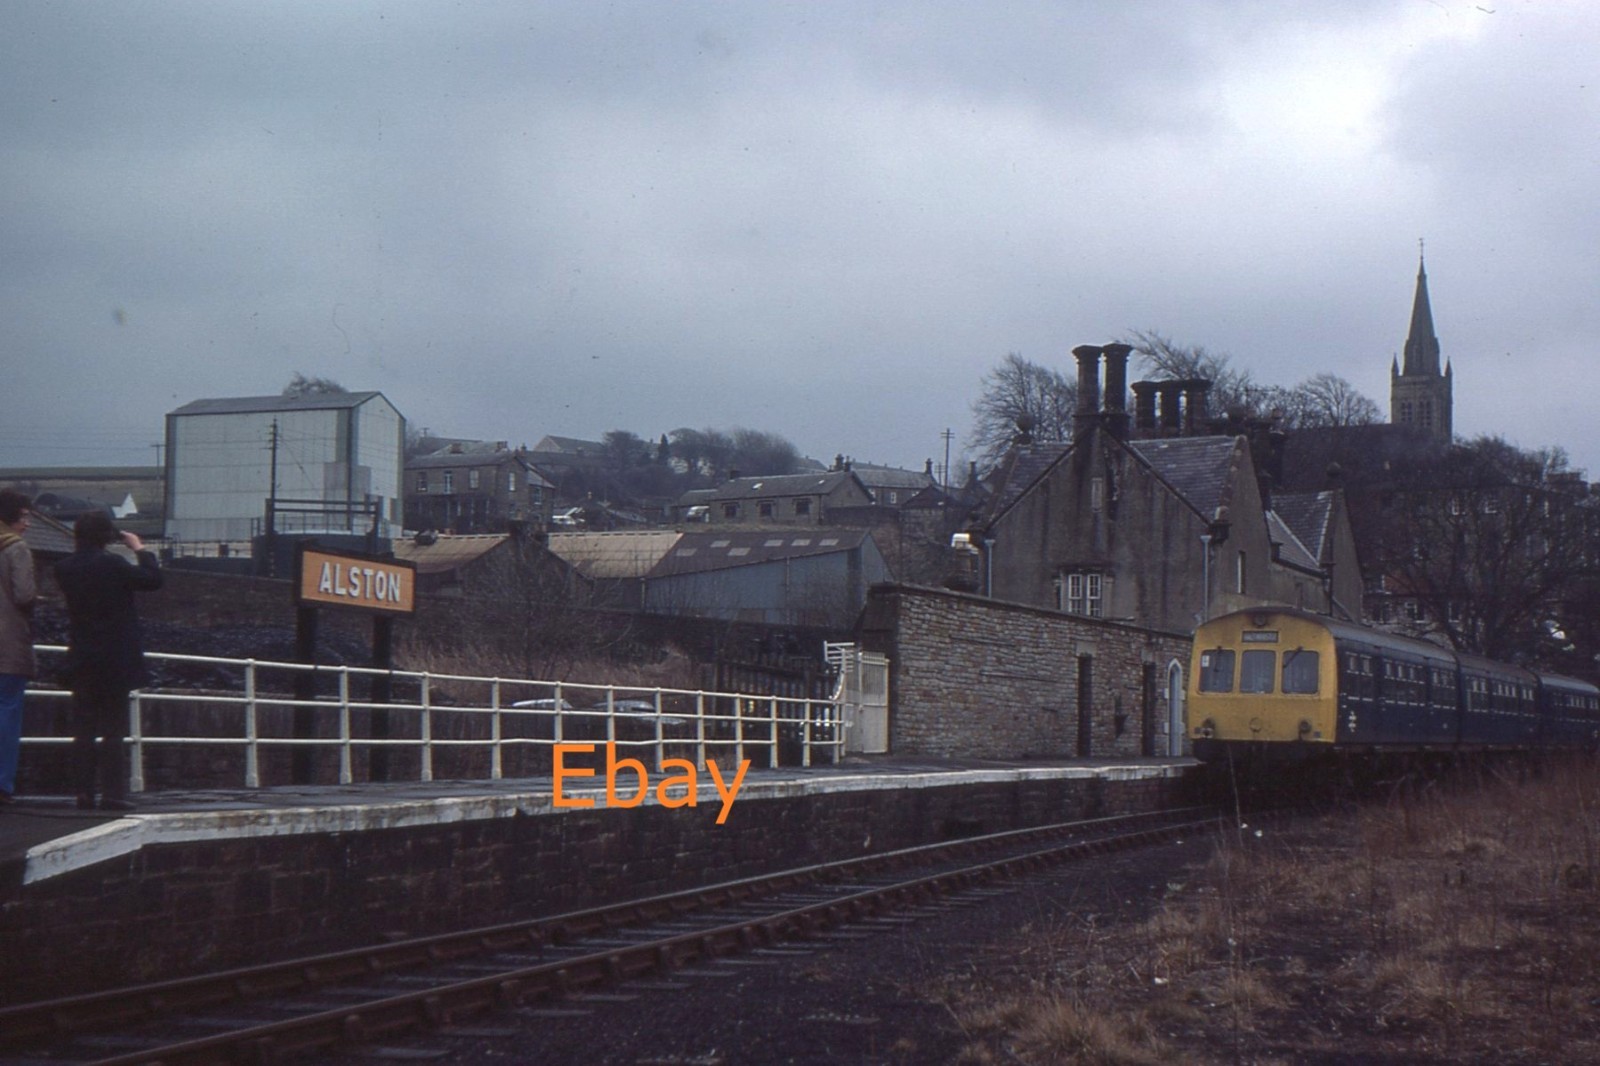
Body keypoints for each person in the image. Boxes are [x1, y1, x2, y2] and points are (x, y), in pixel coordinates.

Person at [54, 511, 162, 811]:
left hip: (81, 656)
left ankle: (83, 793)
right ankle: (113, 794)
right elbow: (153, 580)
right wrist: (139, 548)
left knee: (84, 729)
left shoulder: (63, 568)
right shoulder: (113, 564)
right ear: (106, 536)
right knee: (113, 729)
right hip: (115, 658)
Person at [0, 490, 37, 806]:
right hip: (7, 645)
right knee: (7, 713)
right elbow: (24, 595)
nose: (27, 523)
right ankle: (2, 786)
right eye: (24, 516)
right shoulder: (16, 549)